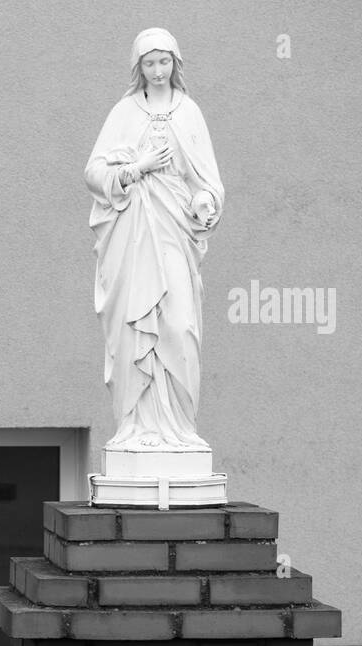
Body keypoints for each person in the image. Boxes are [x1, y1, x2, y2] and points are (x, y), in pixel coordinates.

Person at [84, 27, 224, 451]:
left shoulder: (189, 112)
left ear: (175, 64)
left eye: (164, 62)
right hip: (135, 235)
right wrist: (136, 168)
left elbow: (207, 181)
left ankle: (179, 429)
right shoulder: (125, 112)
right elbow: (94, 173)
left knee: (179, 324)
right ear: (138, 68)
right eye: (150, 63)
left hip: (174, 231)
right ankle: (139, 427)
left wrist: (204, 202)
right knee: (136, 327)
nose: (158, 71)